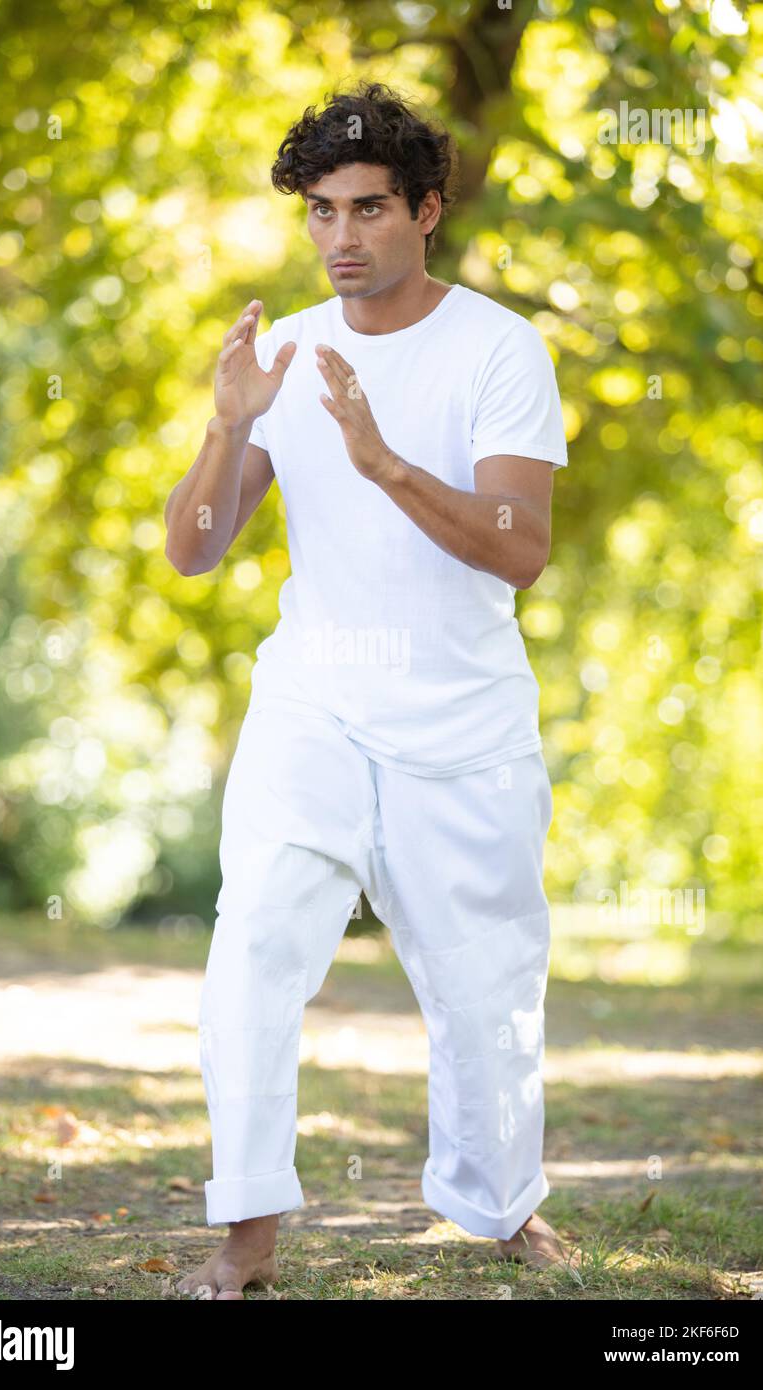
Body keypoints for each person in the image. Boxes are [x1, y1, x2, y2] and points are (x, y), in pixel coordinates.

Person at [164, 80, 582, 1299]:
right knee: (251, 949)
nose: (340, 238)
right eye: (319, 212)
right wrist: (226, 427)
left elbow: (519, 545)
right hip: (313, 704)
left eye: (368, 210)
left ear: (427, 210)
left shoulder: (498, 349)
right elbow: (192, 550)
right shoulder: (283, 352)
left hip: (464, 722)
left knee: (487, 982)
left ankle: (498, 1206)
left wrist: (383, 461)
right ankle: (244, 1229)